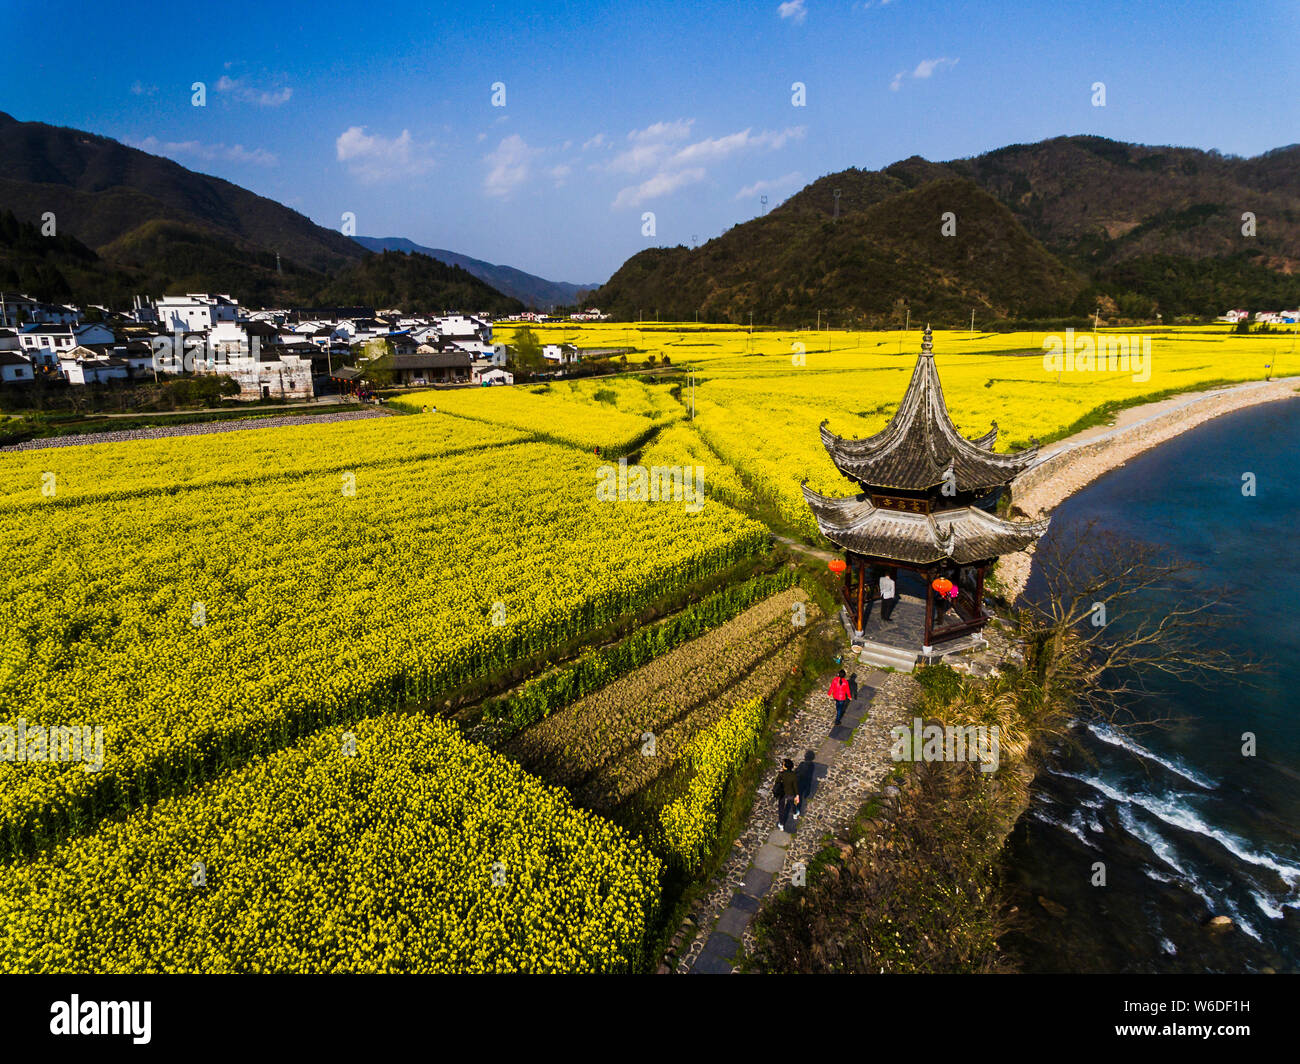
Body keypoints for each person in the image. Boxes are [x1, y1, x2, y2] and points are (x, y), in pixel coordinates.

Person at [774, 758, 800, 831]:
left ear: (785, 767)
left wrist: (780, 774)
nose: (782, 765)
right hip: (791, 793)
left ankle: (781, 824)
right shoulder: (793, 775)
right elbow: (795, 786)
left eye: (783, 764)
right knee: (792, 803)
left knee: (781, 809)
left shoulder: (781, 774)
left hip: (782, 793)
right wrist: (797, 794)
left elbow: (777, 782)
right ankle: (795, 814)